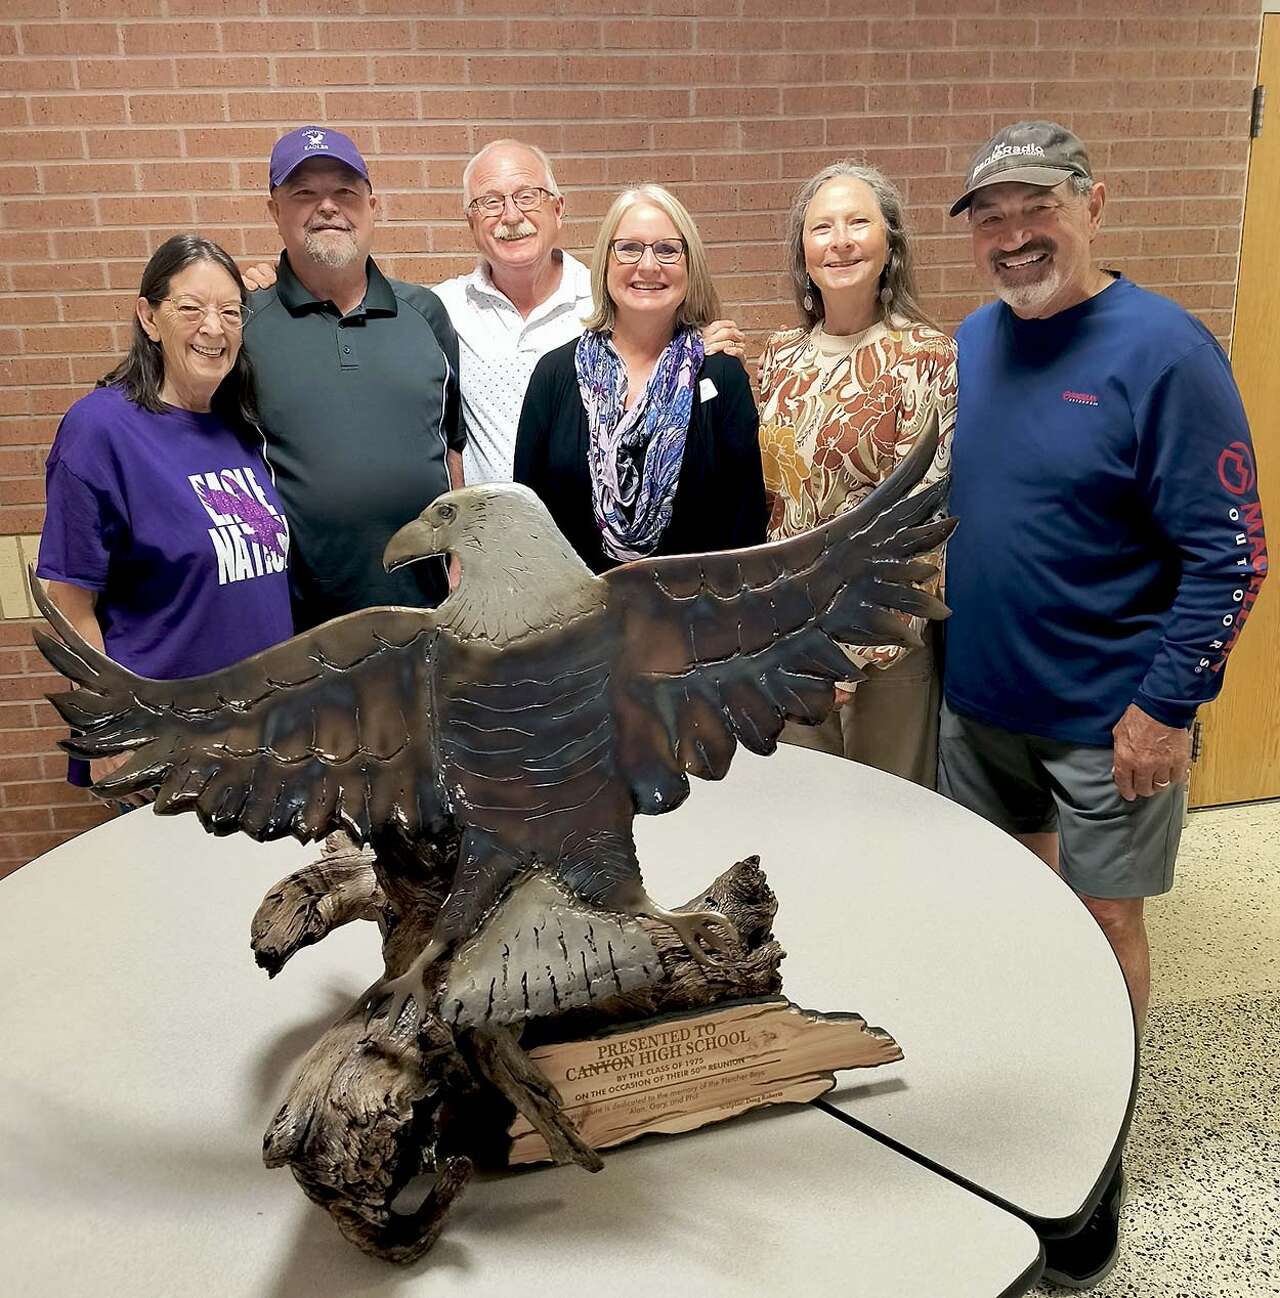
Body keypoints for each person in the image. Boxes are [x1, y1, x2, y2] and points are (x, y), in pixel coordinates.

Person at [941, 120, 1267, 1288]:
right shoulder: (975, 341)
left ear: (1091, 203)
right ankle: (1023, 1097)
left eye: (1033, 207)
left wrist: (1164, 707)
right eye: (988, 215)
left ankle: (1094, 1149)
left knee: (1102, 922)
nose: (1012, 235)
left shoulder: (1162, 349)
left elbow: (1233, 552)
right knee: (1007, 914)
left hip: (1103, 715)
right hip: (978, 702)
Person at [37, 234, 293, 793]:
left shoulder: (237, 428)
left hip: (260, 738)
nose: (213, 327)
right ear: (149, 318)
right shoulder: (100, 430)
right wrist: (108, 728)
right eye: (191, 307)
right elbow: (69, 603)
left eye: (230, 311)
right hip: (165, 743)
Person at [757, 162, 955, 788]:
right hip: (788, 640)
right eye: (822, 227)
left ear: (890, 243)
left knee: (888, 827)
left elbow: (922, 521)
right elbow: (770, 511)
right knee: (802, 821)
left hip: (884, 641)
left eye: (858, 222)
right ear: (804, 253)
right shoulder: (778, 356)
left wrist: (852, 654)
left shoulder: (925, 356)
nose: (840, 240)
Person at [242, 125, 463, 630]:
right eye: (304, 193)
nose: (327, 207)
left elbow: (450, 444)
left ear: (372, 205)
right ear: (275, 211)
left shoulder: (426, 314)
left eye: (345, 191)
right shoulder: (245, 324)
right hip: (297, 623)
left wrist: (459, 555)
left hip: (425, 611)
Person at [435, 139, 747, 485]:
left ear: (558, 208)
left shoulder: (610, 300)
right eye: (490, 202)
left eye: (527, 196)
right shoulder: (443, 311)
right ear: (470, 221)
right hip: (491, 533)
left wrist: (689, 349)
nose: (511, 215)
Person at [512, 184, 765, 572]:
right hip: (579, 625)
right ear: (607, 261)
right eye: (629, 248)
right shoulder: (555, 375)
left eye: (667, 249)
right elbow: (527, 527)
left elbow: (745, 529)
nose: (648, 266)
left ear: (689, 265)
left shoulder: (723, 376)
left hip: (695, 623)